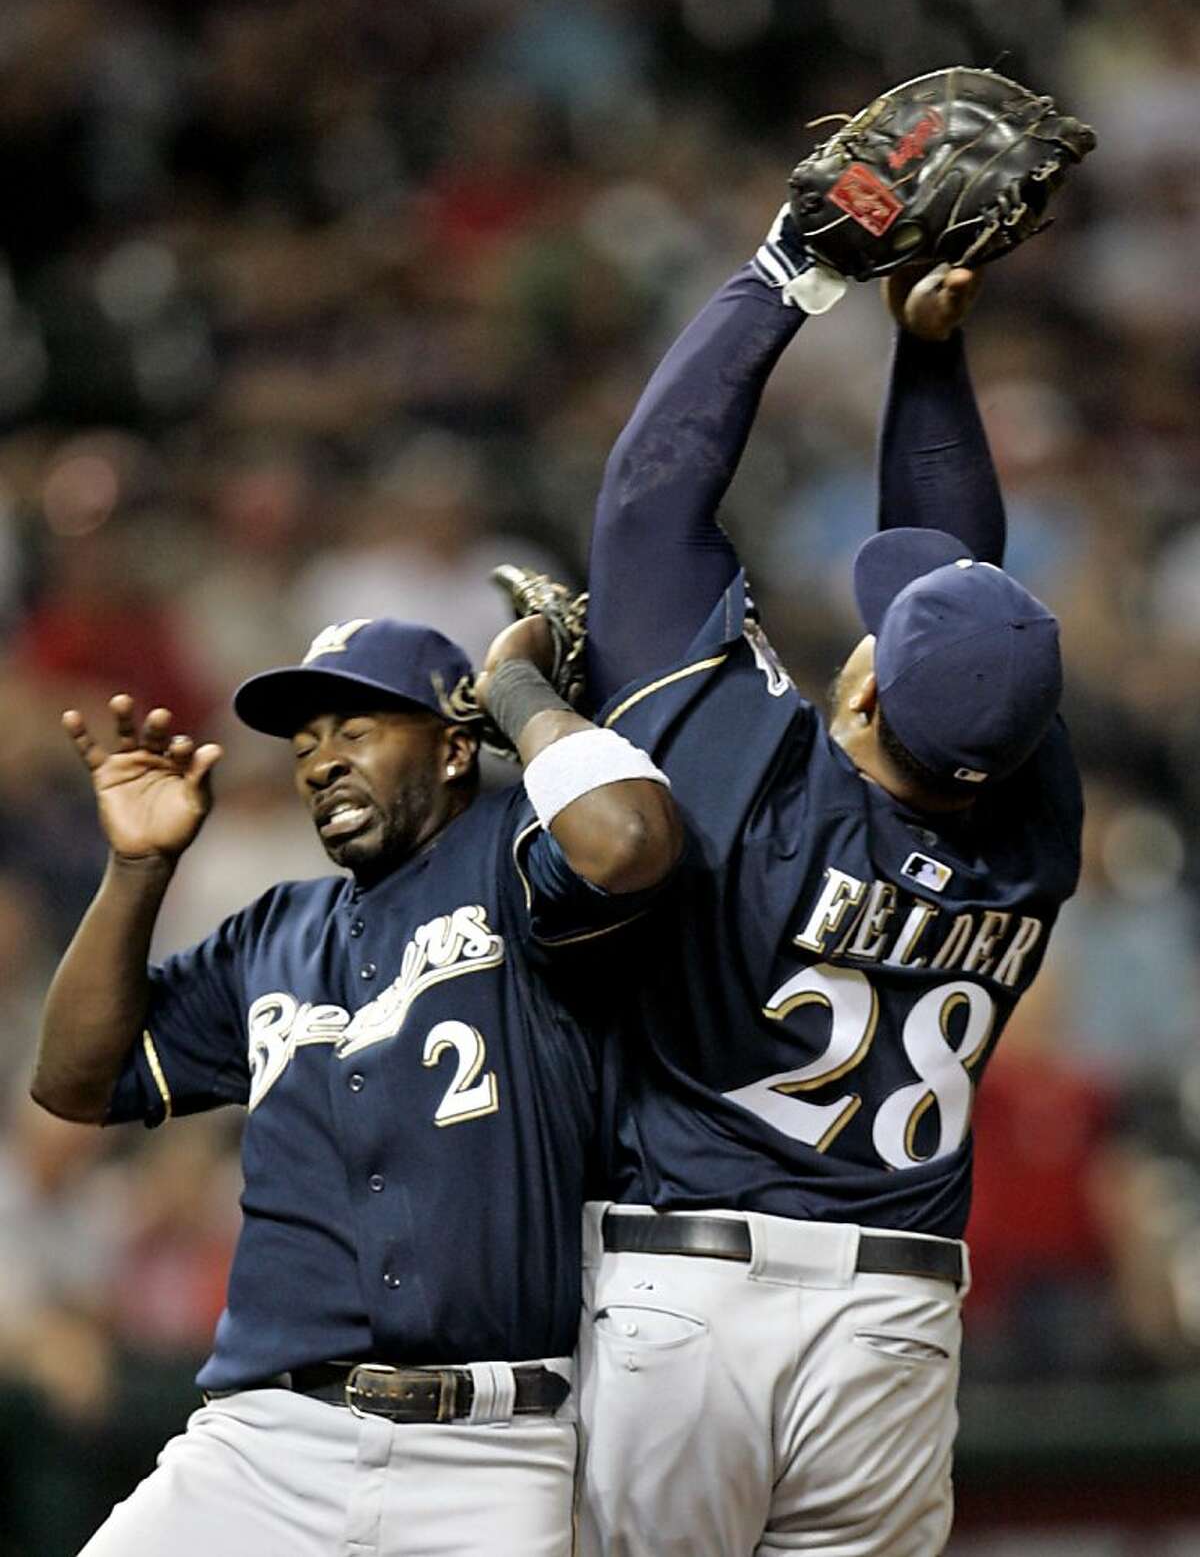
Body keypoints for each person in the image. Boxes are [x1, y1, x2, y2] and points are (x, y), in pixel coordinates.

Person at [573, 214, 1083, 1555]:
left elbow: (650, 497)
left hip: (692, 1299)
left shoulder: (755, 781)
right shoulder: (1036, 824)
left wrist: (788, 270)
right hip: (896, 1323)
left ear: (860, 680)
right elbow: (967, 592)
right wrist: (933, 350)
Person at [31, 610, 683, 1557]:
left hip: (493, 1455)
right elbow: (73, 1079)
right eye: (304, 745)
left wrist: (516, 689)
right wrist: (139, 867)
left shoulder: (517, 863)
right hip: (266, 1445)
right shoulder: (272, 935)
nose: (320, 762)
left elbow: (628, 836)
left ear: (455, 749)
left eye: (356, 730)